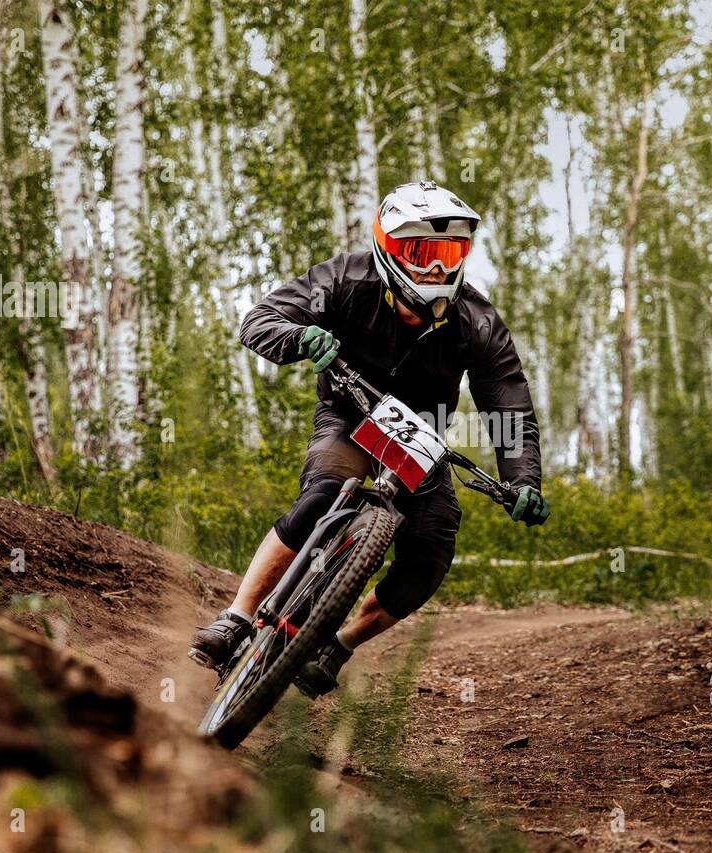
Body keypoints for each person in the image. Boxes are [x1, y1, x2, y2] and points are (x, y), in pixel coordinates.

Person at [189, 181, 550, 696]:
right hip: (348, 413)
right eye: (420, 253)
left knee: (430, 554)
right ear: (388, 247)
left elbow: (506, 399)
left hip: (418, 438)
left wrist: (523, 479)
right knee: (321, 496)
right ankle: (236, 616)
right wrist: (297, 337)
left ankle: (338, 643)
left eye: (449, 253)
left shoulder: (477, 319)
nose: (435, 269)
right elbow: (260, 319)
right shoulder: (344, 279)